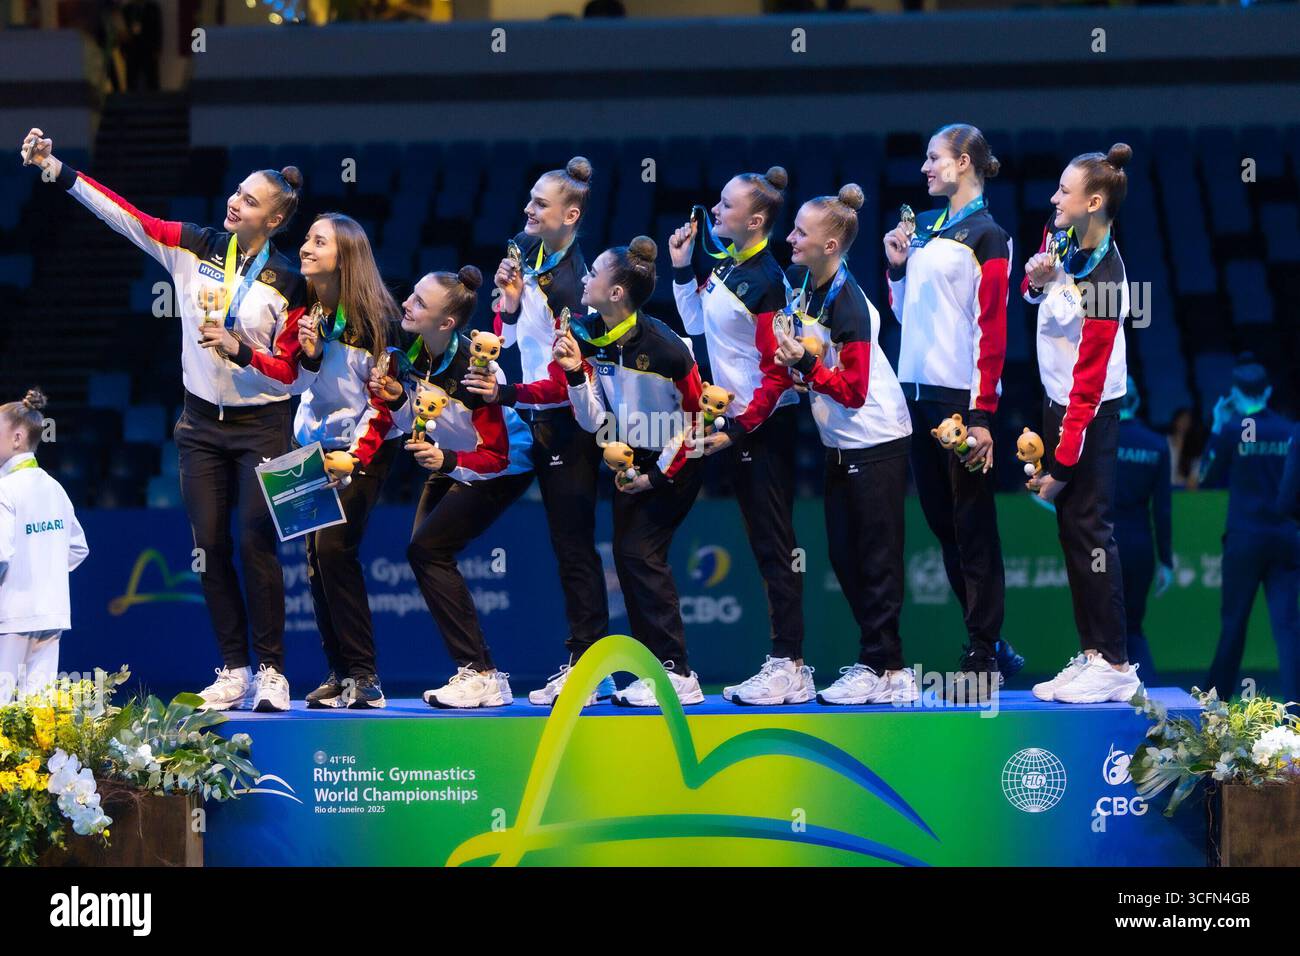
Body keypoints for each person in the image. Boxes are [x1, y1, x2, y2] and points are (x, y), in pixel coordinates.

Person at [21, 128, 309, 713]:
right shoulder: (194, 245)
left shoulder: (291, 282)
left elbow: (293, 374)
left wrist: (242, 351)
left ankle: (273, 672)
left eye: (251, 202)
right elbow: (126, 216)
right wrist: (57, 168)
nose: (235, 203)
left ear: (275, 221)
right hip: (200, 426)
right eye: (236, 193)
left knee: (256, 544)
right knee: (208, 545)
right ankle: (233, 669)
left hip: (266, 426)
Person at [882, 123, 1022, 701]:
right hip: (915, 394)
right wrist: (895, 269)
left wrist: (984, 413)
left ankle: (983, 652)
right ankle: (993, 644)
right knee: (945, 528)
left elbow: (993, 329)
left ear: (964, 162)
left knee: (972, 528)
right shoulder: (932, 229)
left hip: (959, 401)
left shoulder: (989, 235)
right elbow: (906, 315)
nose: (925, 168)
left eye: (934, 158)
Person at [242, 213, 403, 709]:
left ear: (345, 256)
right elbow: (293, 381)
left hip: (361, 449)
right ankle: (340, 674)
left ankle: (365, 677)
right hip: (312, 448)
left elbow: (382, 403)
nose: (306, 249)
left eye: (319, 242)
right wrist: (308, 354)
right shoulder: (305, 309)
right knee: (314, 561)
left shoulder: (379, 320)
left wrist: (353, 458)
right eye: (307, 239)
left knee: (335, 550)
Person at [773, 186, 915, 706]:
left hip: (874, 439)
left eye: (800, 232)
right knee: (844, 556)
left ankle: (881, 665)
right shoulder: (806, 287)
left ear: (830, 244)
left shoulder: (849, 303)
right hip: (841, 444)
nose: (790, 237)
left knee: (875, 561)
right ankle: (888, 666)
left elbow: (853, 391)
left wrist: (807, 367)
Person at [669, 167, 807, 701]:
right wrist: (682, 269)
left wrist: (743, 428)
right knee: (764, 545)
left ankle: (790, 664)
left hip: (763, 426)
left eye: (725, 205)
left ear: (754, 220)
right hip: (739, 424)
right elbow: (698, 328)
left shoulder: (768, 279)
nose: (714, 211)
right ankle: (784, 661)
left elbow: (779, 372)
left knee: (777, 546)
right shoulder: (729, 270)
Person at [370, 268, 534, 709]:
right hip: (453, 455)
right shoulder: (409, 346)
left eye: (421, 303)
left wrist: (446, 460)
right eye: (414, 295)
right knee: (424, 553)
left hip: (502, 466)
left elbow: (496, 457)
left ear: (446, 323)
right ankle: (482, 674)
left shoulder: (475, 374)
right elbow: (411, 414)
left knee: (428, 550)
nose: (408, 305)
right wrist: (393, 401)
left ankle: (480, 674)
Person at [554, 238, 705, 707]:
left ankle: (677, 674)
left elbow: (696, 420)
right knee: (628, 556)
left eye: (593, 271)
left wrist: (657, 476)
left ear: (617, 292)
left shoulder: (667, 348)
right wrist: (575, 374)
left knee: (640, 555)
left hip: (673, 459)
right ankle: (657, 671)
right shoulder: (589, 336)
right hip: (628, 460)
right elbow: (592, 421)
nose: (584, 278)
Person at [1023, 143, 1142, 705]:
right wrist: (1037, 278)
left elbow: (1090, 387)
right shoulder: (1061, 234)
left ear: (1093, 202)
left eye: (1064, 191)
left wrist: (1062, 468)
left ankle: (1116, 663)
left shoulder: (1108, 281)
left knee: (1092, 532)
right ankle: (1092, 653)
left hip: (1088, 413)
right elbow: (1033, 293)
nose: (1054, 198)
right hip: (1056, 401)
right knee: (1073, 534)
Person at [489, 157, 612, 699]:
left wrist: (512, 394)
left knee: (574, 546)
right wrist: (509, 306)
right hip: (528, 416)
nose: (527, 209)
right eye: (530, 199)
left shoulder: (574, 287)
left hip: (568, 423)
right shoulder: (525, 249)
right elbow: (509, 340)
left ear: (572, 214)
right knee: (565, 545)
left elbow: (569, 379)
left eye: (540, 203)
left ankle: (590, 667)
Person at [1200, 357, 1298, 705]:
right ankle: (1296, 705)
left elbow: (1206, 476)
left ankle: (1216, 701)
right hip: (1286, 538)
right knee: (1288, 627)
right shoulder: (1289, 430)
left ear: (1236, 394)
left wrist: (1216, 425)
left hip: (1244, 540)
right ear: (1268, 391)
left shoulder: (1233, 429)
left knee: (1234, 623)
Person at [0, 390, 89, 705]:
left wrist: (25, 568)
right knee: (37, 711)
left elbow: (1, 556)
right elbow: (78, 548)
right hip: (51, 613)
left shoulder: (5, 490)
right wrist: (42, 568)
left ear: (18, 438)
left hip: (10, 615)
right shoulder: (55, 488)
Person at [1113, 377, 1173, 682]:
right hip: (1141, 547)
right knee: (1133, 627)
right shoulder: (1156, 444)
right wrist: (1166, 561)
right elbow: (1162, 509)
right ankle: (1152, 704)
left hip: (1102, 545)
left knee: (1104, 628)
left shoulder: (1099, 440)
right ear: (1137, 400)